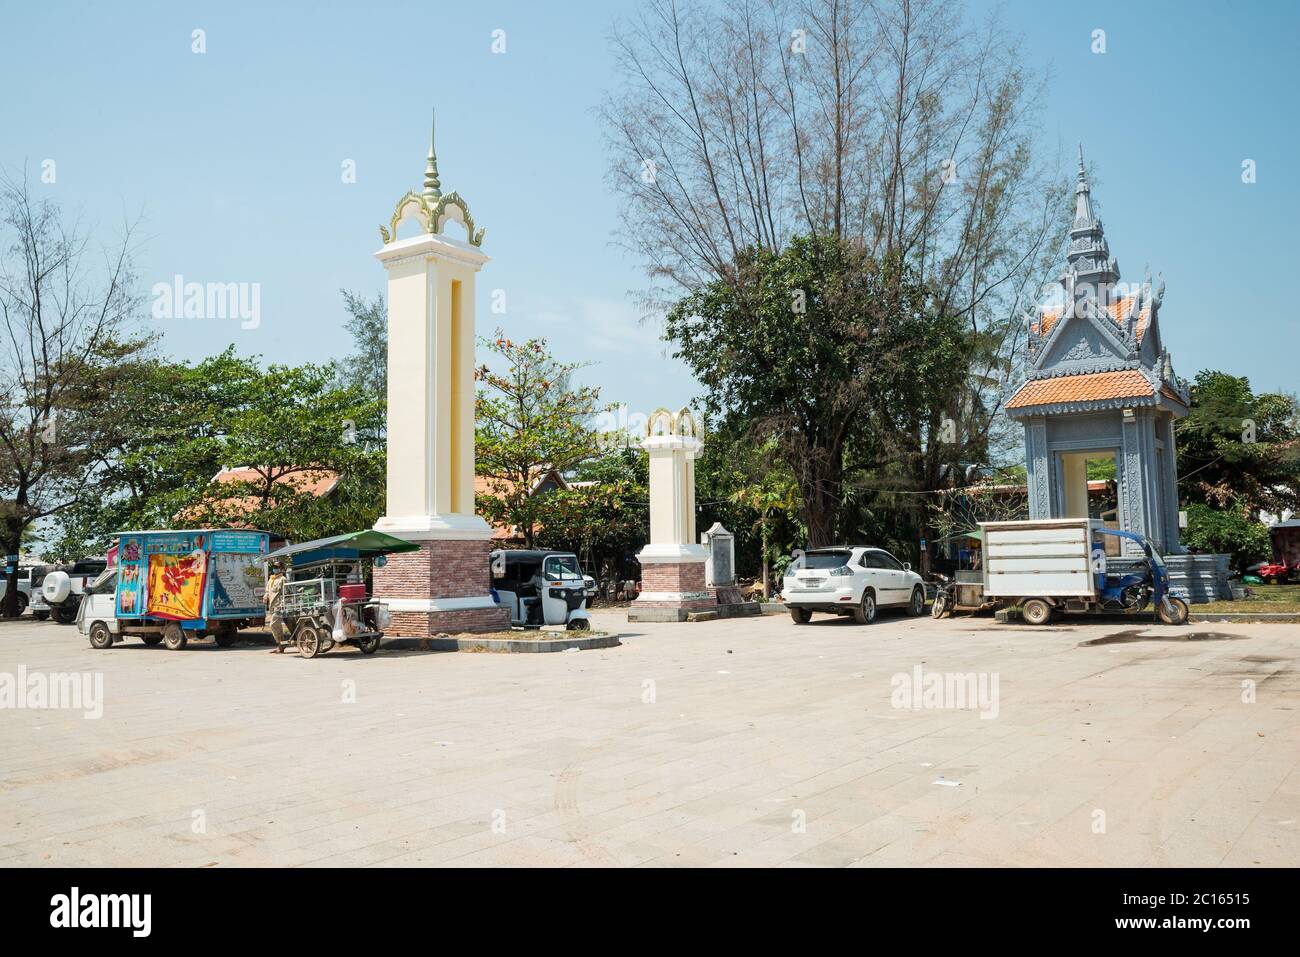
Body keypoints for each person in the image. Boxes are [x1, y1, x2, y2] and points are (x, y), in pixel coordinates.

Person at [265, 568, 287, 653]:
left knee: (273, 625)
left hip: (279, 606)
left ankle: (280, 644)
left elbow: (286, 593)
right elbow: (267, 590)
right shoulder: (271, 579)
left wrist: (282, 604)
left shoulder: (283, 579)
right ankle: (281, 646)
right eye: (274, 567)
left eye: (277, 567)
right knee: (278, 627)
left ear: (281, 568)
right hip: (272, 606)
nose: (275, 569)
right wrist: (265, 596)